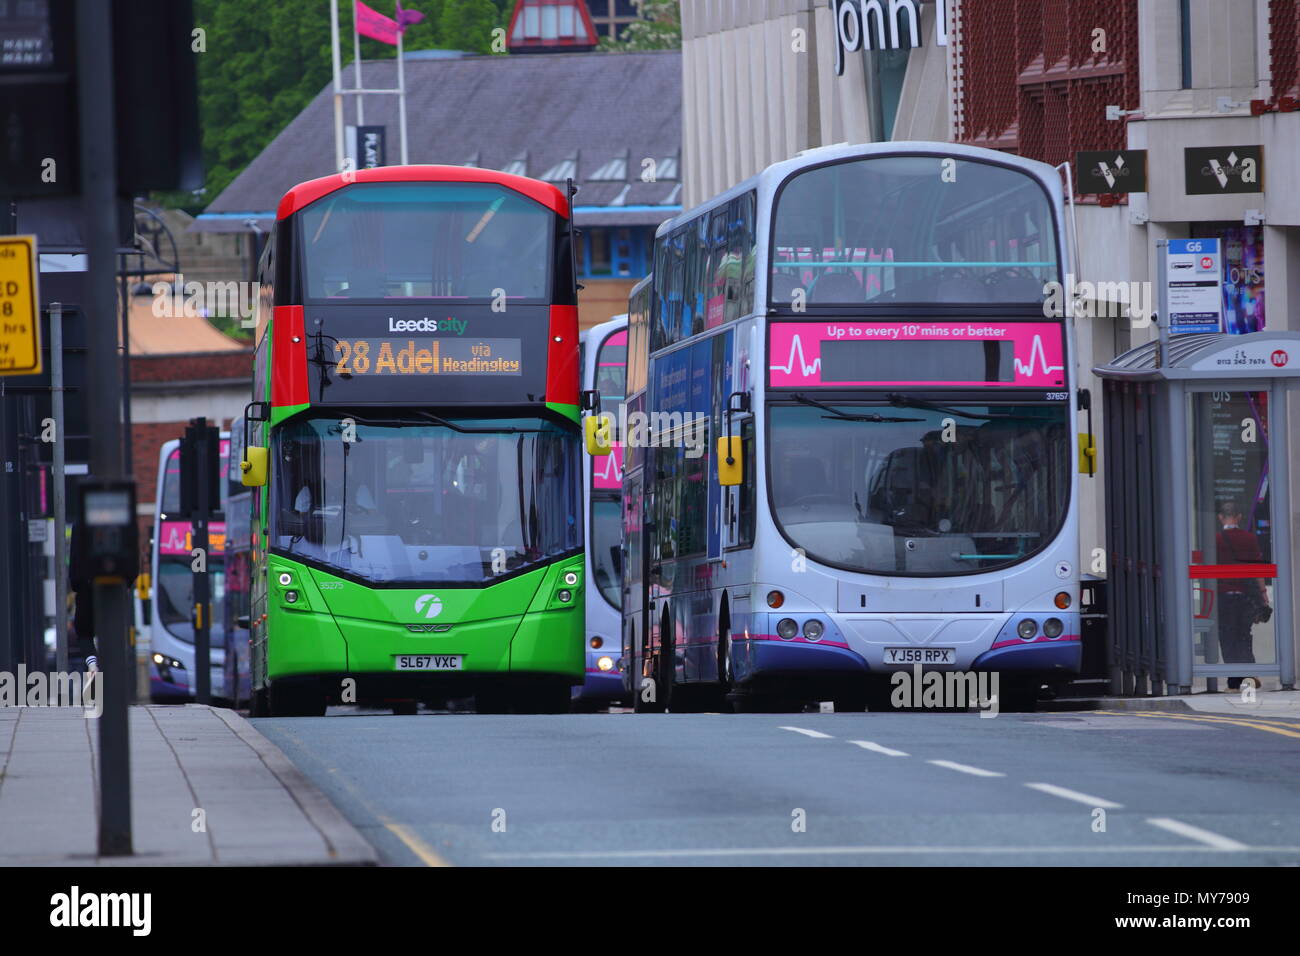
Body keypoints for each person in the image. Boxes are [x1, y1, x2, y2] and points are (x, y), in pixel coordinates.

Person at [1215, 500, 1267, 690]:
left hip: (1223, 596)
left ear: (1220, 517)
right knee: (1244, 635)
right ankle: (1249, 675)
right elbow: (1257, 569)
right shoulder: (1249, 538)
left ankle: (1234, 681)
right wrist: (1263, 593)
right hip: (1245, 596)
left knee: (1227, 637)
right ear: (1239, 517)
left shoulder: (1215, 539)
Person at [68, 520, 99, 673]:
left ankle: (92, 664)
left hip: (86, 587)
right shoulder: (120, 514)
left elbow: (74, 558)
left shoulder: (80, 524)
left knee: (84, 634)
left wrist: (77, 584)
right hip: (114, 588)